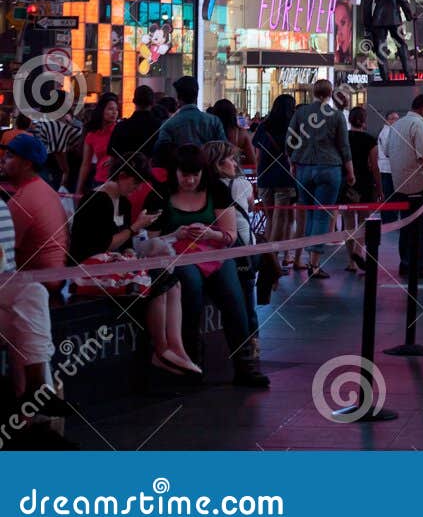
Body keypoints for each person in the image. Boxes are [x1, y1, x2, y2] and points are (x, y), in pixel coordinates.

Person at [142, 145, 270, 388]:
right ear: (175, 173)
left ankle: (245, 365)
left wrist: (211, 234)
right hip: (177, 256)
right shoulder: (159, 194)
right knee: (190, 291)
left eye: (195, 174)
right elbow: (151, 242)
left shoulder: (217, 190)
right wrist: (176, 235)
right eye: (184, 175)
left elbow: (230, 235)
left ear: (203, 172)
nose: (190, 180)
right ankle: (190, 362)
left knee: (235, 300)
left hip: (215, 253)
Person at [68, 154, 200, 378]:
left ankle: (175, 347)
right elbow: (102, 244)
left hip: (112, 265)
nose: (137, 189)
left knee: (172, 282)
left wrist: (130, 246)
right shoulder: (96, 201)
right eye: (135, 183)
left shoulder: (124, 203)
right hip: (89, 269)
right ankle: (161, 348)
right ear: (122, 176)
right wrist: (135, 228)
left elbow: (124, 245)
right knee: (159, 284)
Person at [0, 133, 68, 403]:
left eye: (10, 156)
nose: (4, 162)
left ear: (27, 163)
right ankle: (40, 398)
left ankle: (36, 400)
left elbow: (6, 261)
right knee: (29, 308)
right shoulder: (38, 193)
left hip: (34, 280)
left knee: (30, 302)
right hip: (39, 282)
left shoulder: (18, 203)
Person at [288, 80, 354, 279]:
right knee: (322, 214)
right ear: (330, 93)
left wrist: (293, 162)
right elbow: (344, 146)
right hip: (329, 167)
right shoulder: (336, 115)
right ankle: (314, 262)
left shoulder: (300, 113)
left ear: (313, 92)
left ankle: (308, 253)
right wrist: (350, 171)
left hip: (303, 167)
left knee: (307, 212)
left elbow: (290, 140)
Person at [382, 93, 423, 281]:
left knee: (406, 226)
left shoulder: (396, 125)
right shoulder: (418, 125)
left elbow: (388, 152)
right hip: (418, 184)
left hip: (399, 184)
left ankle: (406, 263)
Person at [253, 95, 300, 271]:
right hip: (285, 177)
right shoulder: (294, 128)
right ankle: (272, 258)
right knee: (282, 218)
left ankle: (272, 255)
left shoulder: (263, 126)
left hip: (265, 177)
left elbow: (257, 156)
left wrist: (258, 178)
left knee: (271, 218)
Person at [360, 0, 414, 80]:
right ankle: (409, 74)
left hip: (378, 19)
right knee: (401, 45)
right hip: (394, 18)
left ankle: (385, 77)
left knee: (380, 48)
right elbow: (403, 0)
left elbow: (366, 5)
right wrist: (409, 15)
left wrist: (367, 24)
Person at [152, 76, 225, 168]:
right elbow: (224, 151)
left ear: (178, 97)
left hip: (179, 176)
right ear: (197, 95)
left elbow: (160, 152)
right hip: (209, 175)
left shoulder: (168, 124)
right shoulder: (214, 121)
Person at [344, 105, 379, 272]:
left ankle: (351, 261)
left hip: (346, 181)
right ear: (363, 121)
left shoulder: (343, 138)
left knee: (348, 221)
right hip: (364, 181)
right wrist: (379, 188)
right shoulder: (370, 139)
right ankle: (358, 249)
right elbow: (374, 165)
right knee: (365, 220)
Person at [74, 94, 121, 199]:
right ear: (101, 110)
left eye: (116, 109)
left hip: (117, 181)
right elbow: (85, 164)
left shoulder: (120, 130)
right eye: (110, 109)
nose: (114, 112)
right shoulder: (92, 135)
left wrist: (114, 159)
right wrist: (79, 188)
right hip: (99, 180)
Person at [208, 99, 257, 170]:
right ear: (233, 113)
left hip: (212, 173)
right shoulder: (241, 133)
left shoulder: (209, 131)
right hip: (234, 174)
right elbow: (252, 161)